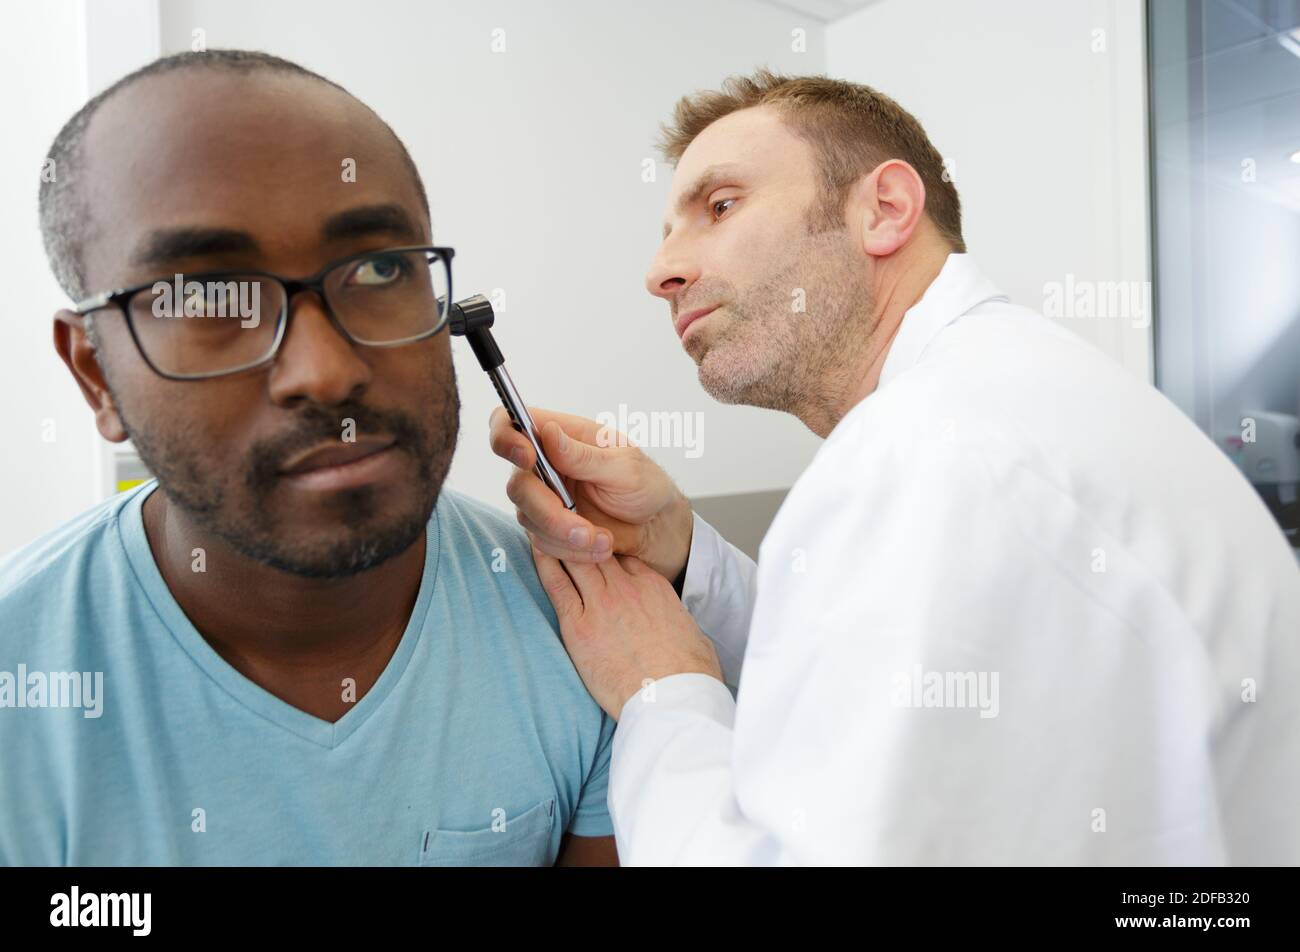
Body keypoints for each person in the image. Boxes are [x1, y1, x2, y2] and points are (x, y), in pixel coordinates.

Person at [491, 70, 1300, 865]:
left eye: (719, 206)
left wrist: (659, 691)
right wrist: (682, 547)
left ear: (884, 210)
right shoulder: (995, 400)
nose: (660, 270)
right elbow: (868, 667)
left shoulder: (934, 454)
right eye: (668, 229)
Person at [0, 50, 617, 866]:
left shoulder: (588, 627)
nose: (326, 370)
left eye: (380, 267)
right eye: (211, 296)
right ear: (95, 374)